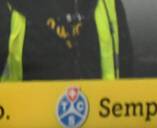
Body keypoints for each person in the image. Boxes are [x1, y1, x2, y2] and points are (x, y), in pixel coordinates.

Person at [1, 1, 132, 81]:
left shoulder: (107, 4)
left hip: (99, 119)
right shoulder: (7, 7)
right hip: (24, 121)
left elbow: (127, 85)